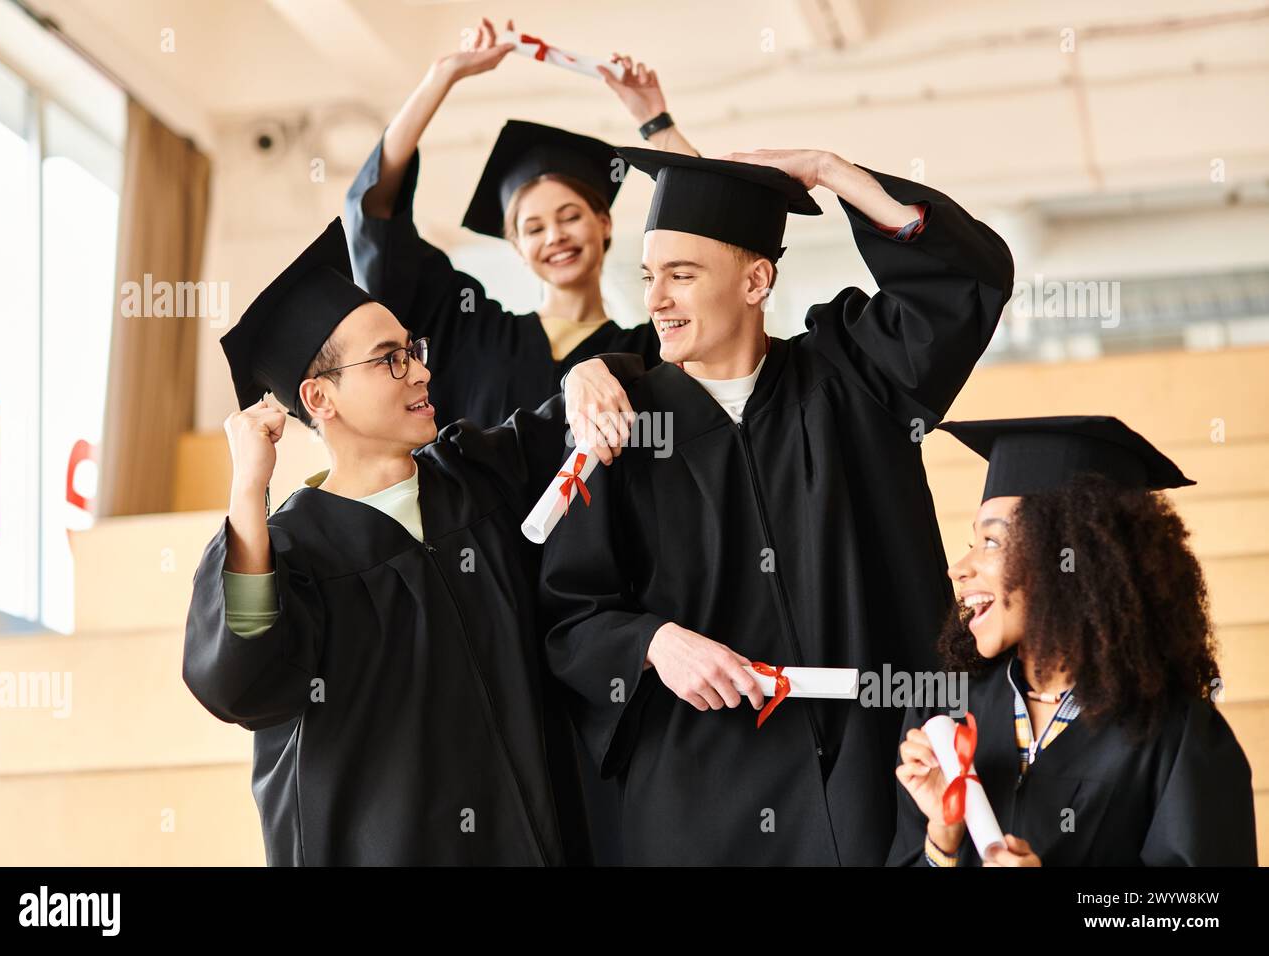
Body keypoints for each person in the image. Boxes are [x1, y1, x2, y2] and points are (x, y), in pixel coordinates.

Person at [539, 147, 1014, 864]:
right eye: (648, 277)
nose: (656, 299)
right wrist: (650, 642)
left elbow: (962, 282)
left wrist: (827, 170)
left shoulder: (853, 380)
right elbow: (571, 615)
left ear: (756, 279)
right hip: (703, 799)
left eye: (682, 275)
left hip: (877, 771)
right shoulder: (619, 427)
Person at [182, 218, 642, 865]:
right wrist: (247, 490)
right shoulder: (291, 548)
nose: (420, 372)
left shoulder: (476, 473)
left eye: (414, 349)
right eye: (390, 359)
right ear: (320, 397)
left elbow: (584, 414)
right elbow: (245, 683)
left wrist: (584, 374)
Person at [889, 415, 1257, 867]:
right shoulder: (943, 714)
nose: (959, 567)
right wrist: (942, 840)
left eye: (991, 542)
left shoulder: (1174, 737)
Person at [344, 17, 698, 430]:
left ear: (603, 223)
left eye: (570, 216)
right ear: (515, 246)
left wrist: (657, 122)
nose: (555, 236)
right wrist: (442, 76)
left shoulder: (649, 350)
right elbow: (376, 213)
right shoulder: (470, 333)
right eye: (533, 228)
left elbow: (717, 238)